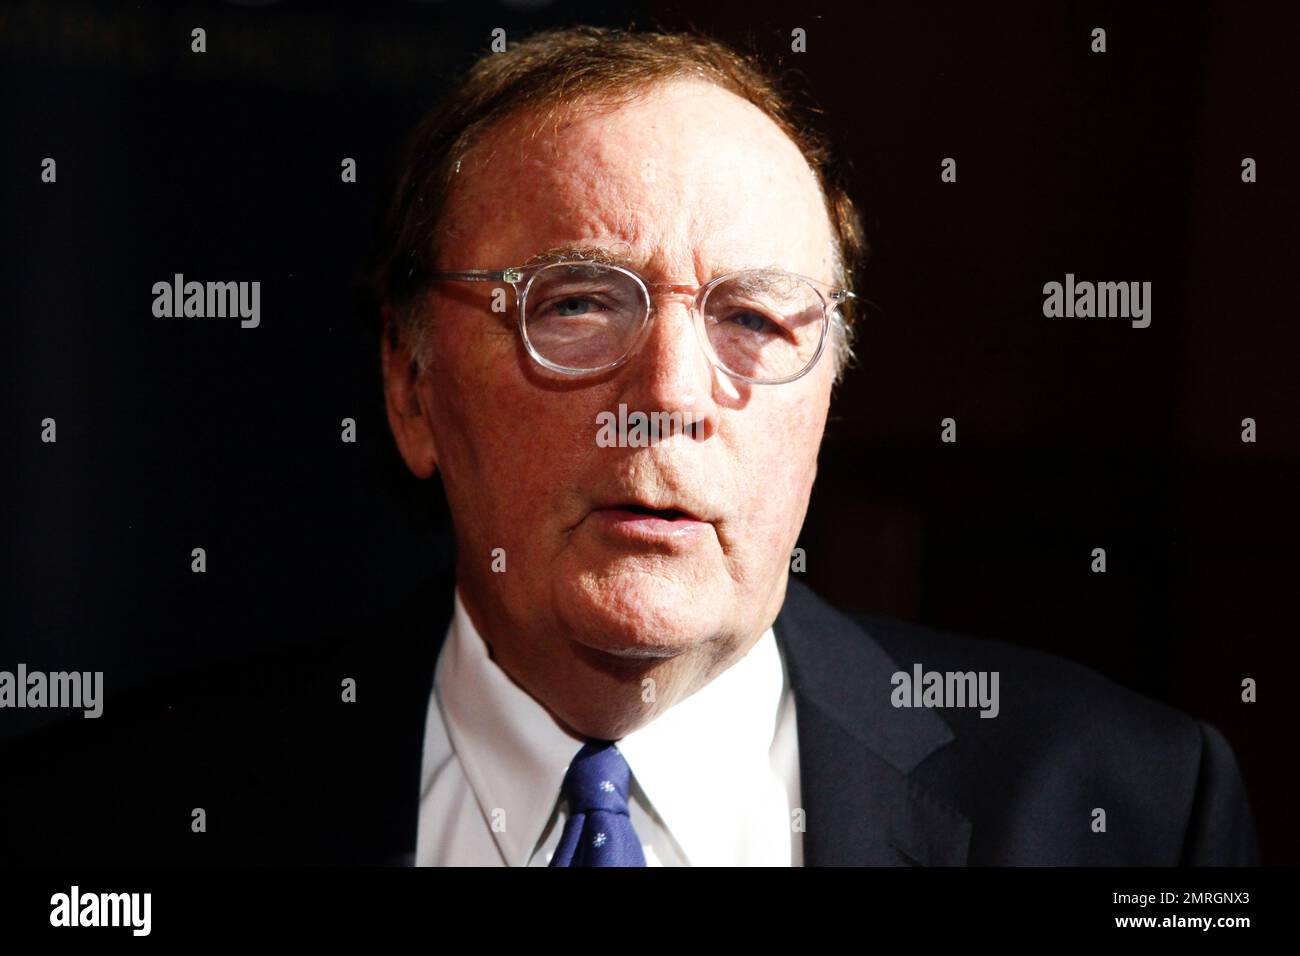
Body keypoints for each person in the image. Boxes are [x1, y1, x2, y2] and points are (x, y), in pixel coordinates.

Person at [0, 26, 1258, 867]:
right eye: (576, 305)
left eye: (757, 319)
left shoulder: (1131, 814)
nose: (667, 398)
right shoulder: (105, 828)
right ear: (408, 381)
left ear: (827, 398)